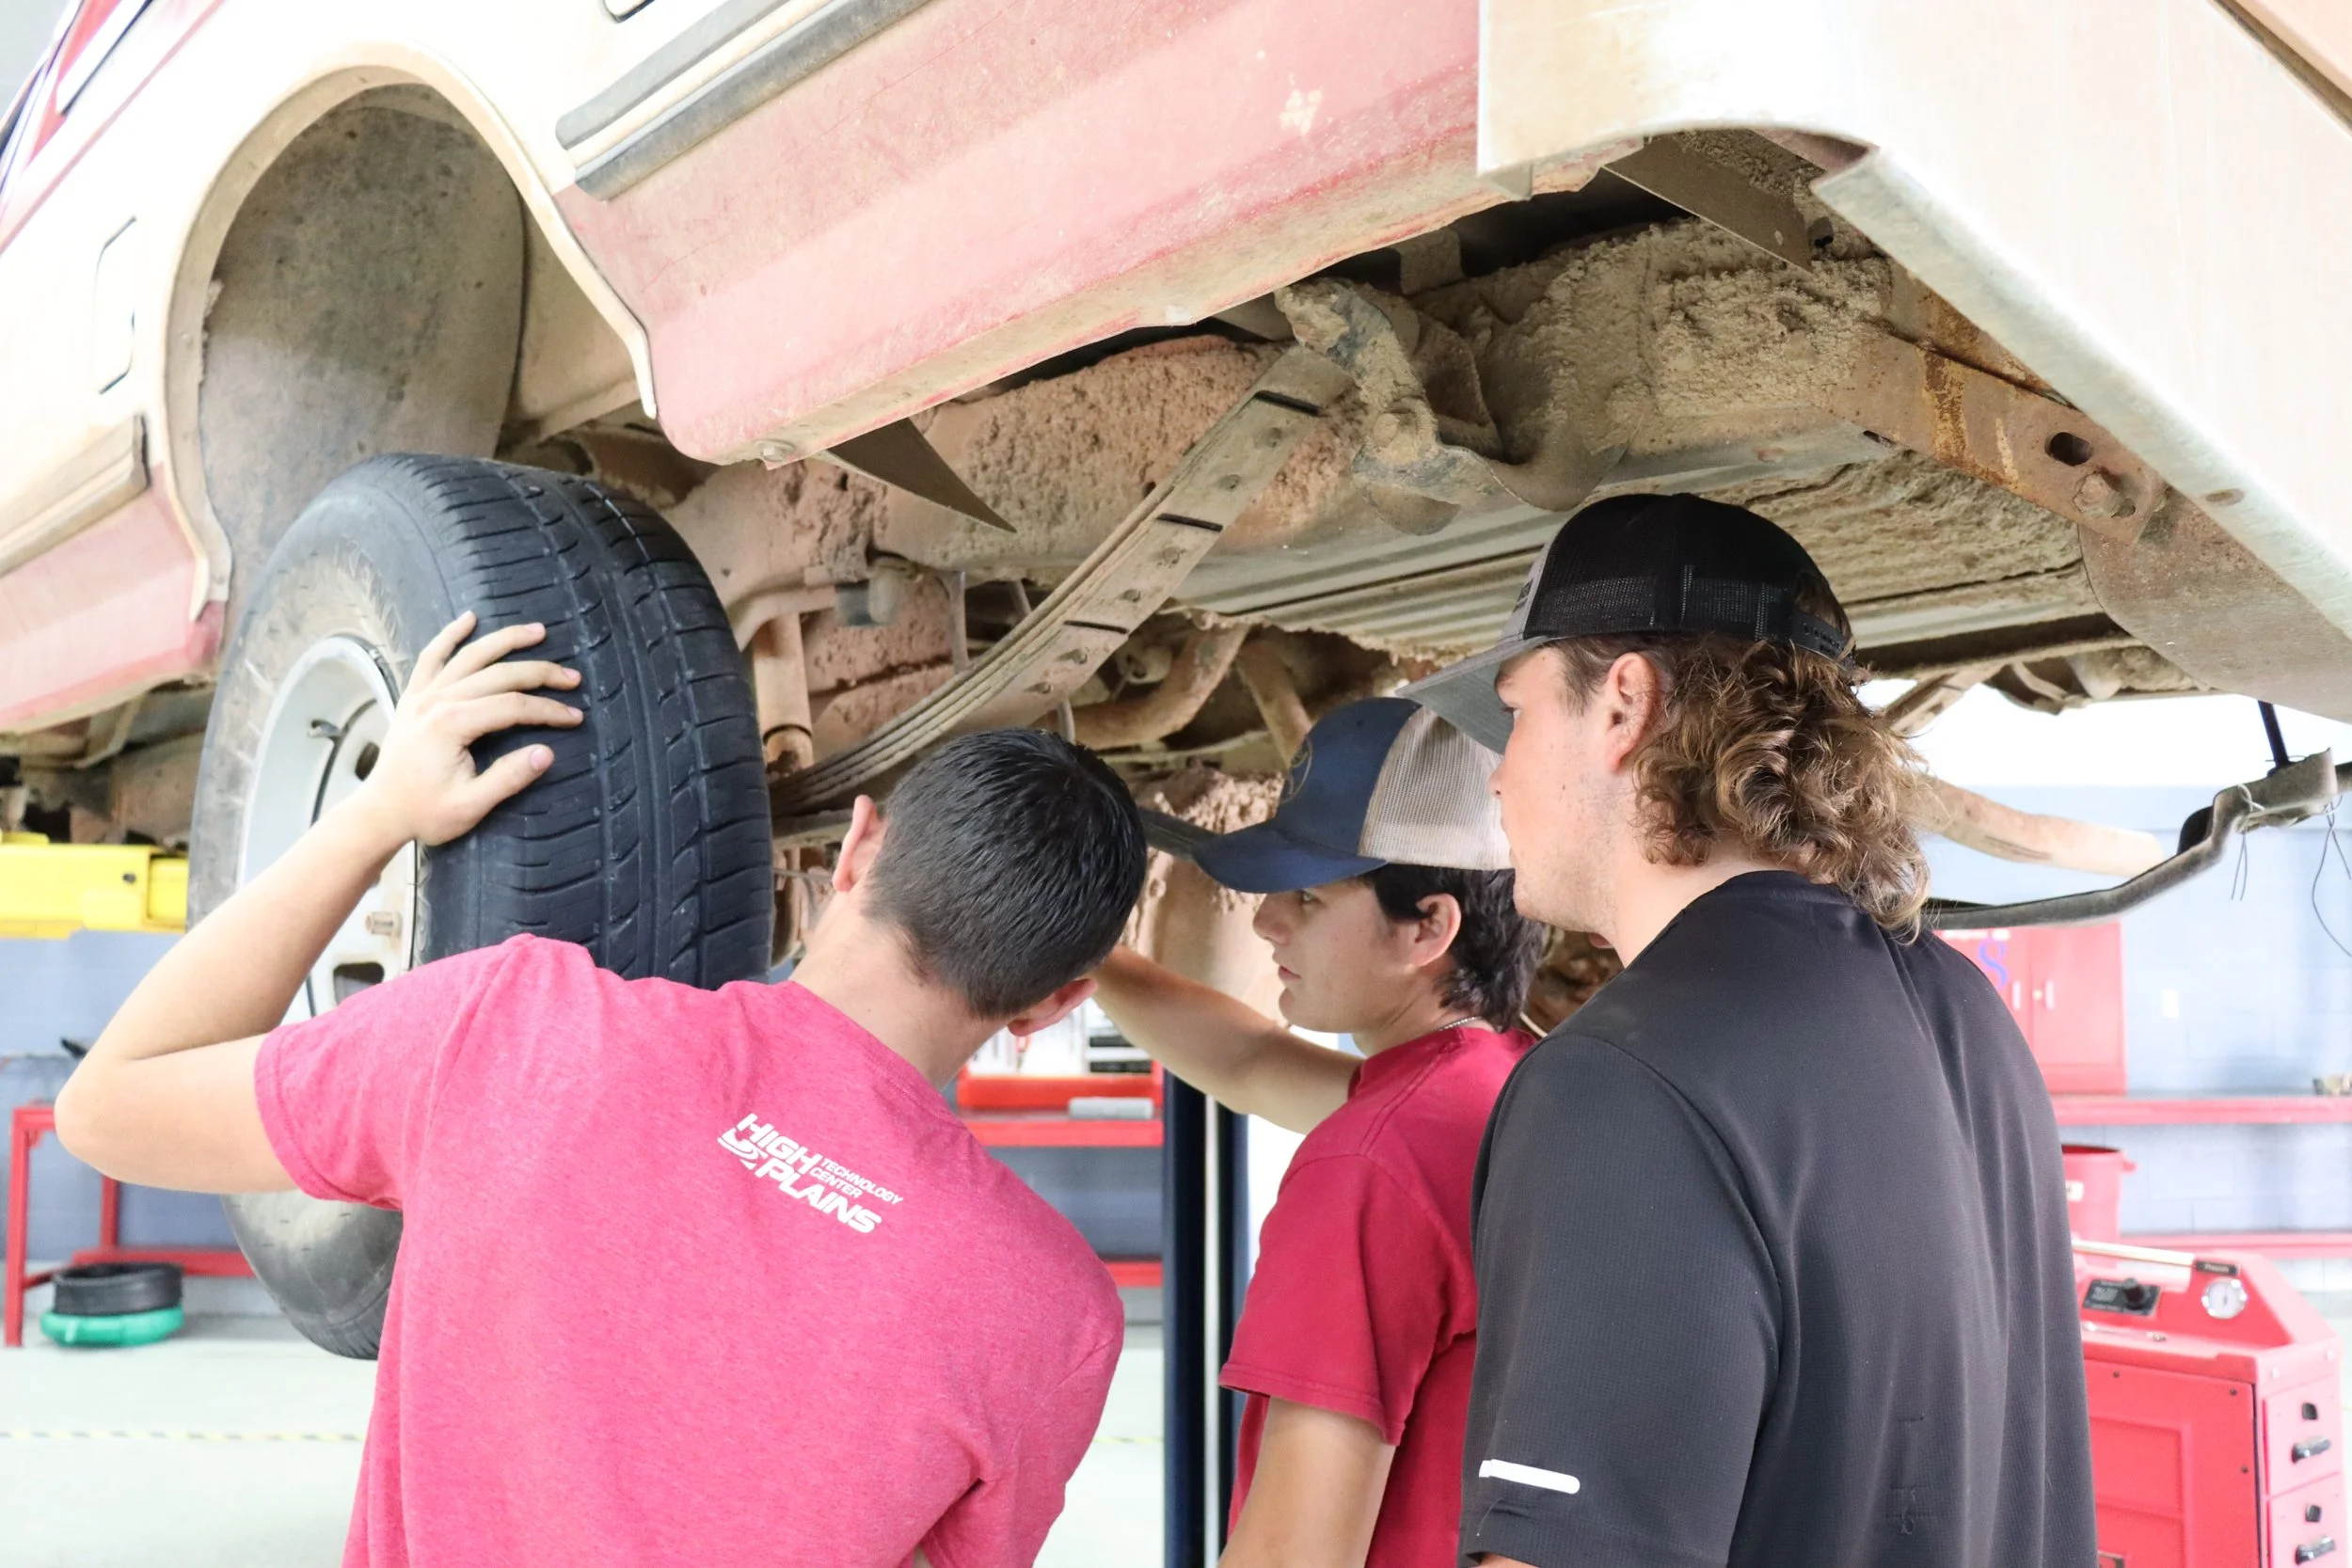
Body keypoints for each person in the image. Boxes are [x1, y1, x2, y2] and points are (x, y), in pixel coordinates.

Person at [54, 612, 1147, 1568]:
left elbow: (109, 1107)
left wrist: (375, 813)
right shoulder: (1051, 1309)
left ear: (857, 847)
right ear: (1053, 1003)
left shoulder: (509, 1027)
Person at [1403, 494, 2095, 1568]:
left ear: (1623, 704)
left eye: (1517, 714)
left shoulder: (1619, 1079)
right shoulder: (1970, 1019)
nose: (1497, 772)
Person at [1095, 697, 1545, 1568]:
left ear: (1429, 928)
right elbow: (1248, 1060)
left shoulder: (1369, 1165)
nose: (1267, 921)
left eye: (1308, 897)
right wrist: (1087, 949)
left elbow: (1295, 1556)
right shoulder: (1511, 1089)